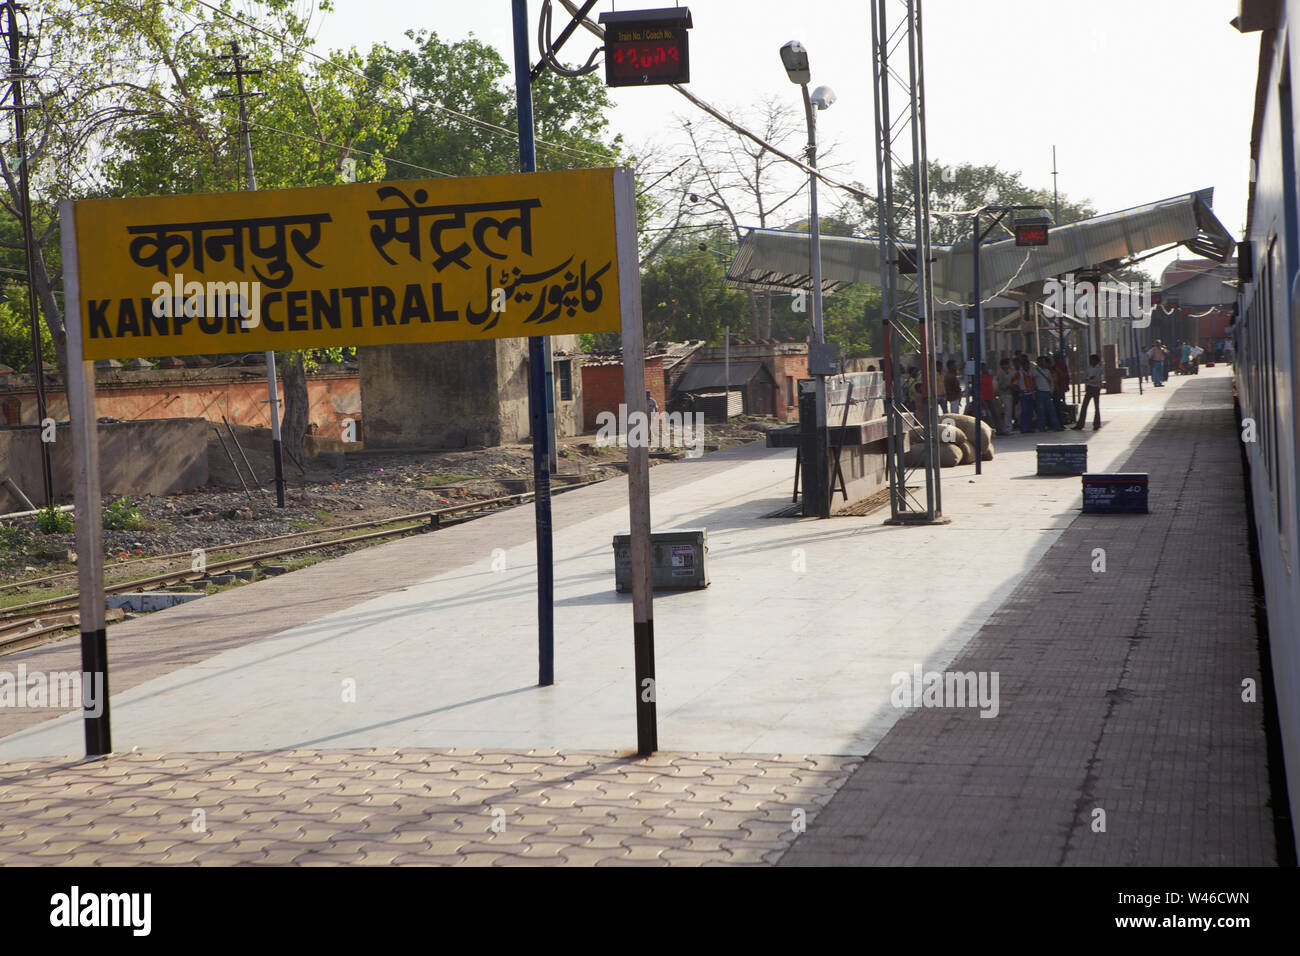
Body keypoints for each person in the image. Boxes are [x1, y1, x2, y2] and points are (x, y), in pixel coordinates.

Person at [1072, 353, 1104, 431]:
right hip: (1089, 387)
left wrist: (1088, 379)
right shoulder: (1088, 368)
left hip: (1096, 388)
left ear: (1096, 361)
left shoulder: (1099, 369)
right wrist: (1089, 379)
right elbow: (1086, 377)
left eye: (1091, 360)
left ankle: (1097, 423)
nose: (1090, 361)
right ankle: (1080, 424)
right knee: (1084, 406)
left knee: (1096, 406)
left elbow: (1096, 379)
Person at [1034, 355, 1063, 430]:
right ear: (1038, 362)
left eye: (1044, 361)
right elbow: (1032, 381)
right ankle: (1041, 426)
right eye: (1041, 361)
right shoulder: (1035, 371)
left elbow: (1051, 382)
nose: (1043, 363)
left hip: (1047, 392)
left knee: (1051, 410)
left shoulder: (1047, 371)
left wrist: (1051, 390)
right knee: (1041, 411)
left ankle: (1056, 426)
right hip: (1040, 392)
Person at [978, 362, 1002, 434]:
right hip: (983, 398)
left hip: (991, 397)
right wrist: (981, 399)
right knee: (984, 416)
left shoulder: (990, 376)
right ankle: (984, 431)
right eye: (983, 368)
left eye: (986, 367)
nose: (985, 369)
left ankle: (999, 429)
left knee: (996, 414)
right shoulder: (979, 377)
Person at [995, 357, 1016, 435]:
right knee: (1007, 412)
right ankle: (1007, 429)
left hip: (1009, 394)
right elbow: (1000, 385)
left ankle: (1008, 427)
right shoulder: (1001, 374)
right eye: (1007, 364)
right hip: (1004, 395)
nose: (1009, 365)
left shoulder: (1010, 372)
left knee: (1009, 412)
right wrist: (1008, 385)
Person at [1017, 356, 1037, 433]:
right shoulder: (1019, 373)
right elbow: (1013, 383)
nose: (1027, 366)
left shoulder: (1030, 373)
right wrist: (1019, 390)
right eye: (1026, 365)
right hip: (1024, 394)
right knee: (1024, 412)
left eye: (1028, 365)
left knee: (1030, 412)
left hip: (1030, 394)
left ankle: (1029, 427)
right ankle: (1023, 428)